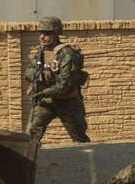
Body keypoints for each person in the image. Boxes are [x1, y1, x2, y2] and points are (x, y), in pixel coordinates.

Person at [24, 16, 90, 144]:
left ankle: (86, 161)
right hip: (46, 102)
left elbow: (65, 84)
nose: (42, 37)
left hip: (68, 102)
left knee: (79, 138)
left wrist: (44, 92)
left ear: (56, 34)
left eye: (47, 33)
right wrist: (37, 75)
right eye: (41, 33)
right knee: (32, 135)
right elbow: (27, 71)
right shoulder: (40, 52)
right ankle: (27, 161)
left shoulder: (66, 53)